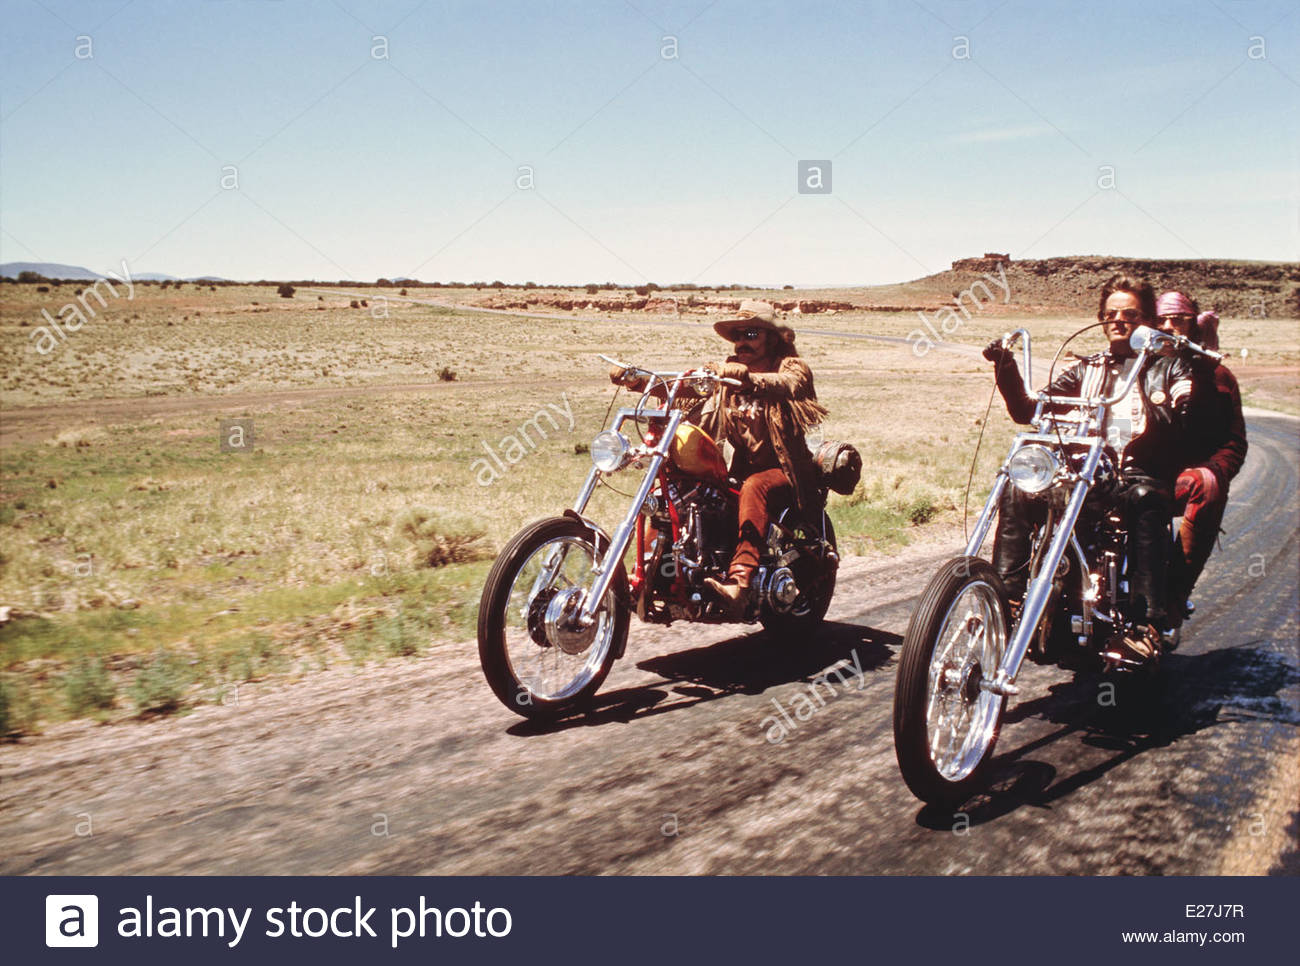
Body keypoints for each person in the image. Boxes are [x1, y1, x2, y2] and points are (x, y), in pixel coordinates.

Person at [982, 275, 1204, 662]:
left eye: (1130, 314)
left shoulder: (1168, 367)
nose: (1119, 321)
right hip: (1086, 471)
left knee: (1146, 498)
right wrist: (1006, 366)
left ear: (1147, 320)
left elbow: (1189, 414)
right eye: (1111, 314)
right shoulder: (1088, 369)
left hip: (1136, 473)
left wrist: (1177, 404)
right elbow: (1029, 409)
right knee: (1020, 487)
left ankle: (1145, 625)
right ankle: (1008, 598)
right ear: (1101, 319)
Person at [610, 299, 827, 613]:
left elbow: (789, 385)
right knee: (675, 491)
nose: (742, 342)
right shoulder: (725, 373)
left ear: (771, 338)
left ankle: (740, 581)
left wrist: (749, 379)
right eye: (737, 335)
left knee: (755, 486)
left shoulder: (790, 367)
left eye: (751, 334)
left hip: (784, 471)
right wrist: (639, 381)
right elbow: (683, 387)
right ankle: (647, 576)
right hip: (738, 471)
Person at [1155, 292, 1247, 608]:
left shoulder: (1218, 376)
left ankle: (1174, 595)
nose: (1168, 327)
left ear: (1193, 326)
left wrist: (1214, 472)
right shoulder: (1134, 367)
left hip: (1181, 480)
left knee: (1206, 484)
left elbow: (1234, 443)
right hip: (1132, 473)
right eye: (1160, 320)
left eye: (1178, 320)